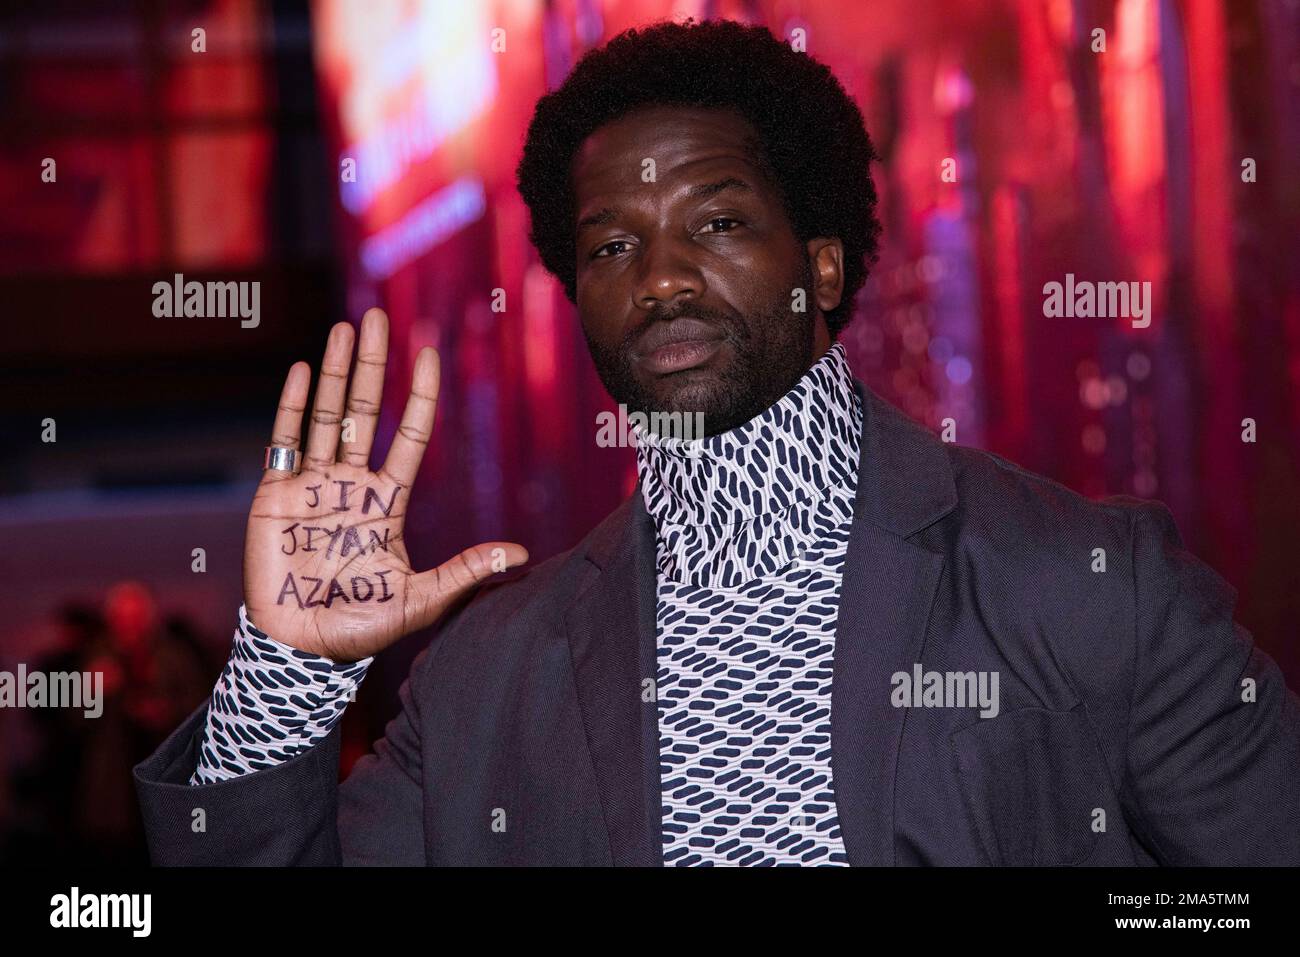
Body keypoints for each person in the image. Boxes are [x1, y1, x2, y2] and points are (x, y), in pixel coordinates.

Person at [134, 18, 1300, 866]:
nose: (663, 278)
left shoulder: (1085, 585)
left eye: (721, 220)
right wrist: (282, 681)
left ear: (824, 265)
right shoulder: (491, 674)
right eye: (609, 247)